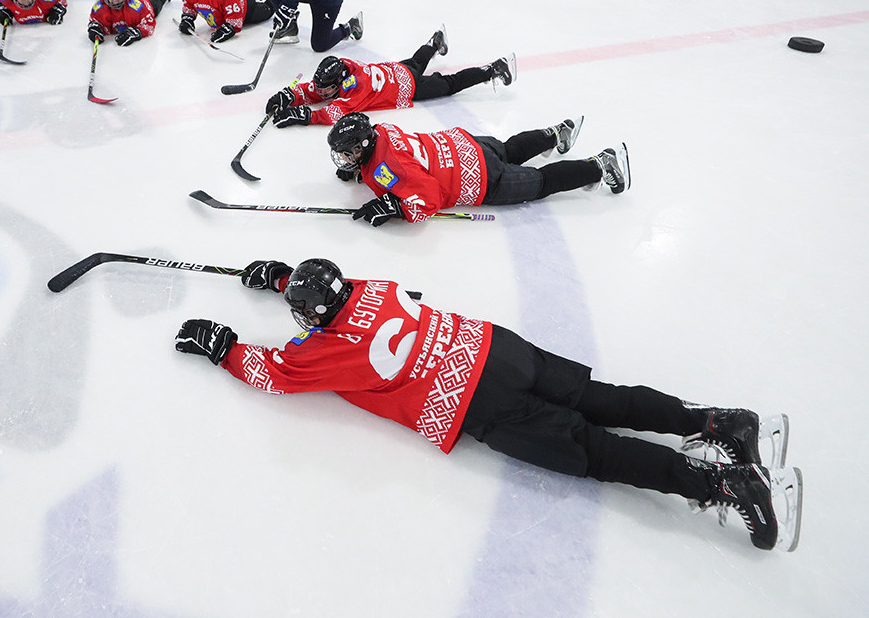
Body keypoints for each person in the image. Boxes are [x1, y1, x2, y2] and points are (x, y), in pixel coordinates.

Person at [173, 258, 803, 552]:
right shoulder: (374, 286)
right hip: (496, 348)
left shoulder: (332, 352)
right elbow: (341, 297)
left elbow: (277, 372)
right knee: (602, 398)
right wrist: (285, 278)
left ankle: (724, 484)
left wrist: (223, 347)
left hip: (473, 401)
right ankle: (721, 422)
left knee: (595, 451)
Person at [325, 112, 629, 226]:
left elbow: (428, 199)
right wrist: (360, 168)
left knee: (541, 181)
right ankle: (555, 134)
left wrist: (395, 207)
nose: (343, 158)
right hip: (468, 144)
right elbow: (398, 159)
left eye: (348, 152)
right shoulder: (382, 130)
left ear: (363, 146)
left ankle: (601, 166)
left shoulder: (386, 168)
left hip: (480, 178)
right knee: (510, 149)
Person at [265, 26, 516, 128]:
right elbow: (317, 88)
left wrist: (306, 115)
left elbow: (334, 113)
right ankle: (433, 43)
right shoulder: (346, 66)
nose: (323, 92)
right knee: (416, 62)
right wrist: (291, 95)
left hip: (409, 86)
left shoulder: (357, 89)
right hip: (396, 71)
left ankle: (492, 69)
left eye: (328, 89)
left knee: (450, 84)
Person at [88, 0, 172, 46]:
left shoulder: (138, 4)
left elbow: (149, 24)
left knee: (156, 4)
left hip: (138, 1)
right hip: (128, 9)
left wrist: (136, 32)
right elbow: (94, 22)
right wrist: (95, 29)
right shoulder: (100, 6)